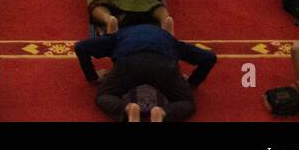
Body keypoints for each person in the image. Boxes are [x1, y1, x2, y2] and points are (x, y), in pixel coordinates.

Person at [74, 24, 217, 122]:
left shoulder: (118, 36)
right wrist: (192, 82)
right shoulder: (170, 39)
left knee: (103, 96)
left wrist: (92, 76)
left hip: (128, 65)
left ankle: (128, 109)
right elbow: (210, 57)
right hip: (164, 66)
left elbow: (80, 47)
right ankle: (162, 113)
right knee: (187, 103)